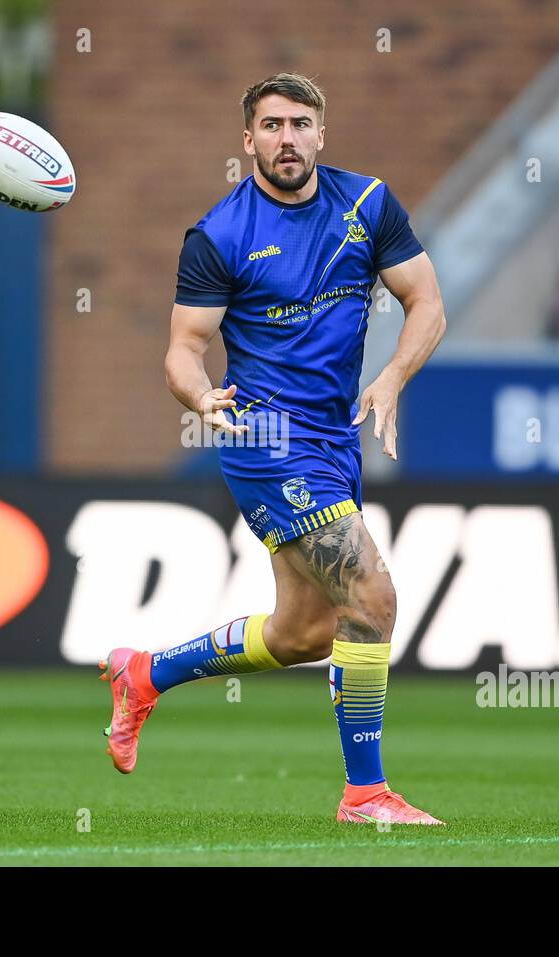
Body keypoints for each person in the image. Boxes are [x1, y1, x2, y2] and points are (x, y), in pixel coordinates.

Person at [101, 72, 448, 825]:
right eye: (270, 126)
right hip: (264, 439)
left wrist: (391, 376)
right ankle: (366, 794)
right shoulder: (219, 234)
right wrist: (198, 395)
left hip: (332, 438)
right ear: (248, 139)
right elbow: (182, 351)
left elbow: (427, 301)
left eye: (299, 124)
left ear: (321, 132)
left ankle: (145, 674)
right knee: (373, 597)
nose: (285, 138)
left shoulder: (367, 204)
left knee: (302, 634)